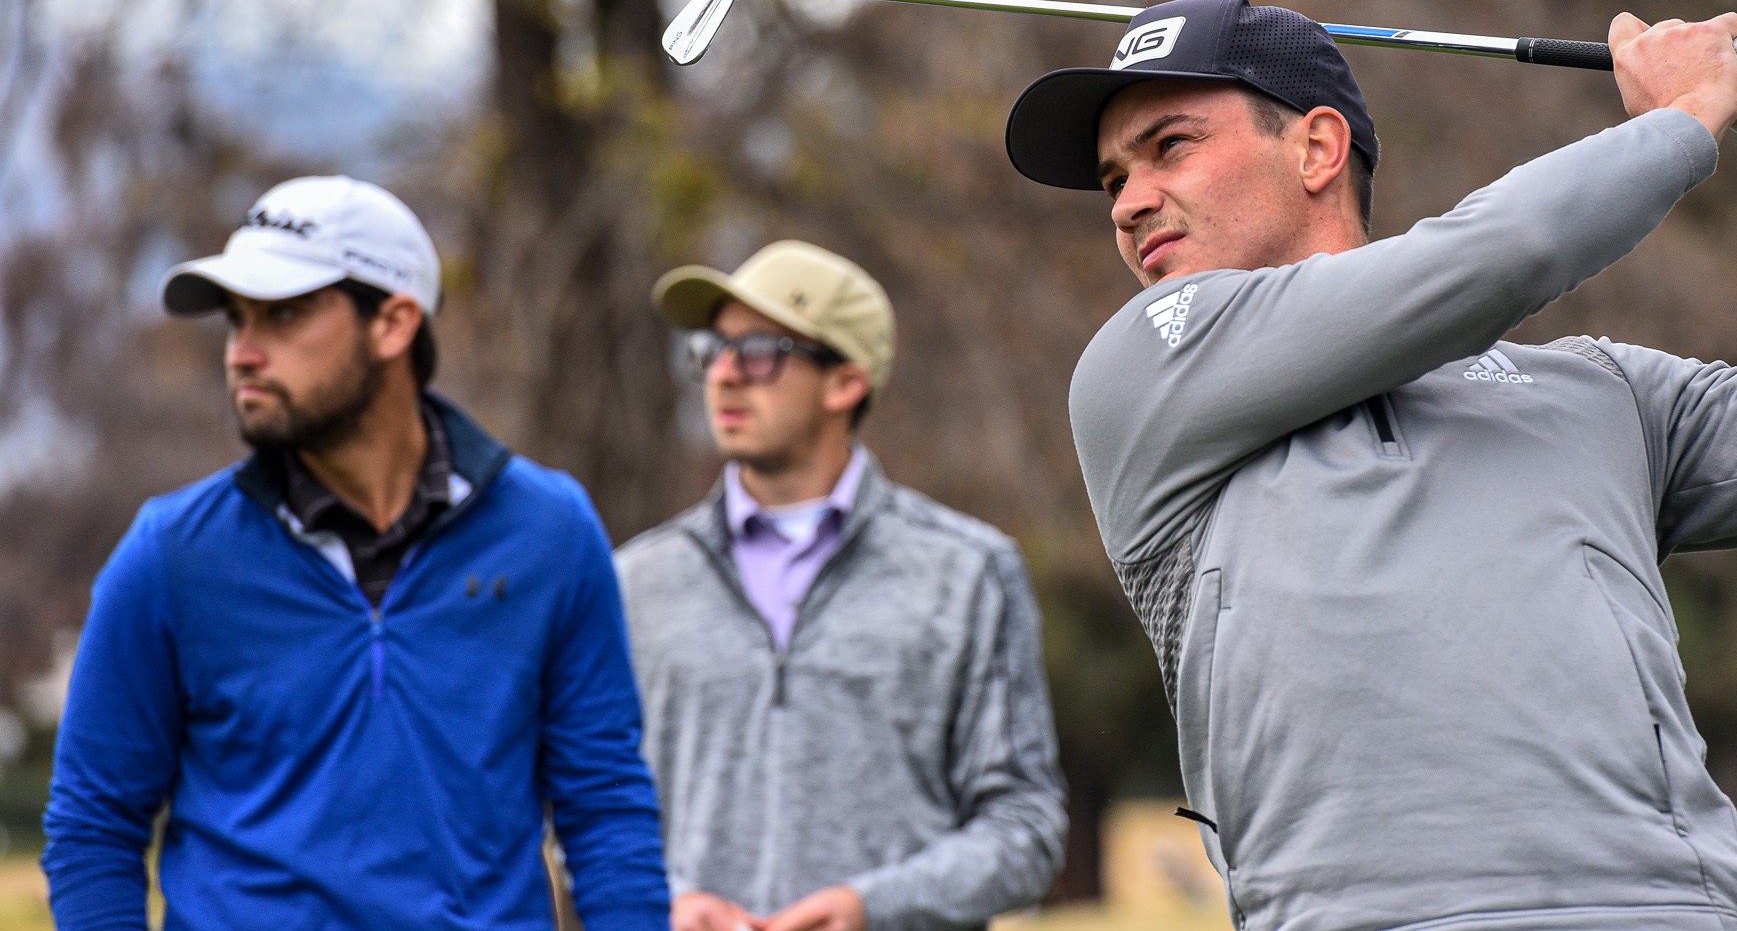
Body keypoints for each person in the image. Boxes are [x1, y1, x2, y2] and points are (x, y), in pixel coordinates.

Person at [1002, 0, 1737, 931]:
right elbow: (1497, 252)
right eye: (1111, 178)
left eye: (1168, 145)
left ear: (1315, 145)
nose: (1130, 203)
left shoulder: (1606, 394)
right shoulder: (1142, 372)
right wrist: (1686, 118)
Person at [41, 176, 671, 930]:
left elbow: (604, 810)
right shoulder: (171, 555)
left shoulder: (550, 532)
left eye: (285, 315)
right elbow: (93, 827)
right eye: (237, 321)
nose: (243, 352)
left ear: (394, 324)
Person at [617, 239, 1067, 931]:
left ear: (845, 382)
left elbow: (1025, 828)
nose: (724, 376)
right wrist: (665, 899)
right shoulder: (635, 581)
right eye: (715, 349)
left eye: (760, 350)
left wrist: (871, 908)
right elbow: (587, 810)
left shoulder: (969, 572)